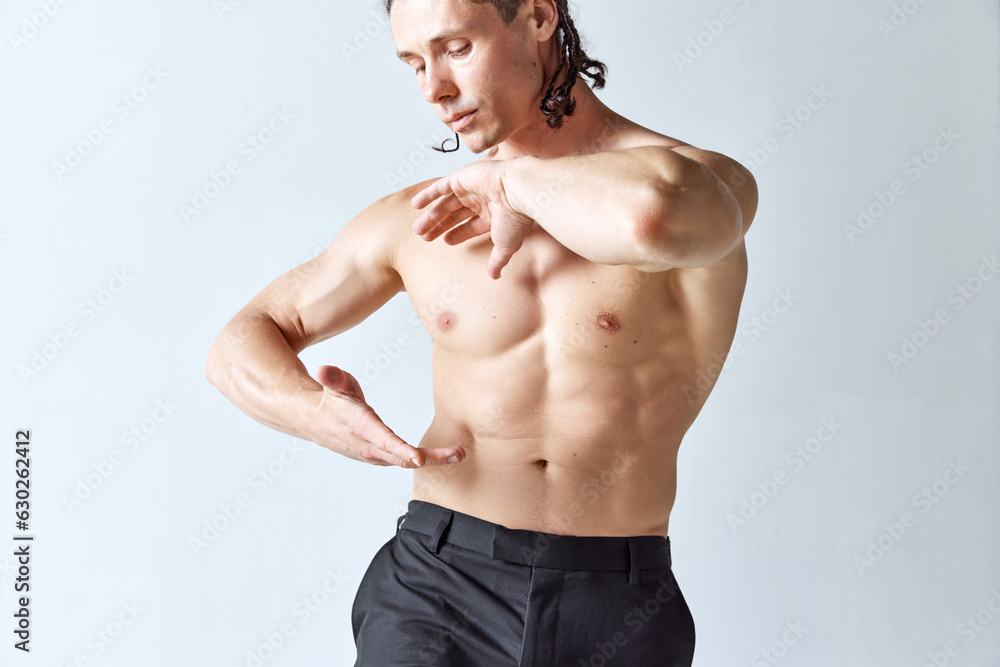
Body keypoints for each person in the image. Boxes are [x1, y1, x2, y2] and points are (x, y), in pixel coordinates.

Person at [206, 0, 758, 664]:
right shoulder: (417, 219)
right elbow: (240, 339)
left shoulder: (702, 183)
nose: (434, 90)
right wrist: (314, 411)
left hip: (615, 592)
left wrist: (514, 185)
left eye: (456, 49)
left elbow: (650, 223)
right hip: (436, 582)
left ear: (538, 16)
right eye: (414, 63)